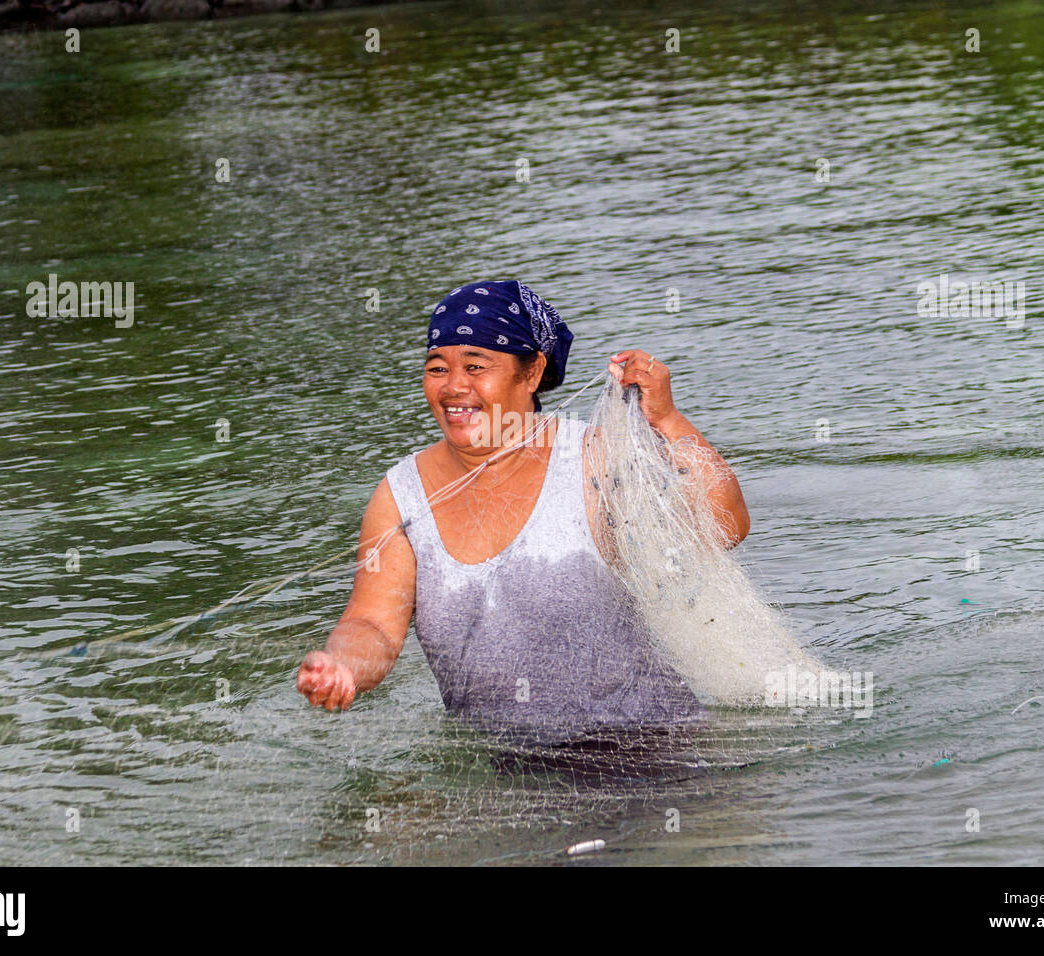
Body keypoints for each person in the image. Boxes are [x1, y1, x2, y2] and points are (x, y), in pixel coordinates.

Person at [296, 280, 750, 745]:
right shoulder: (401, 493)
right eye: (437, 368)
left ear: (531, 373)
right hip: (501, 768)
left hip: (647, 752)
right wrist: (343, 665)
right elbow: (372, 625)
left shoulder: (593, 459)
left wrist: (668, 419)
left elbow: (725, 527)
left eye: (476, 366)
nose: (454, 387)